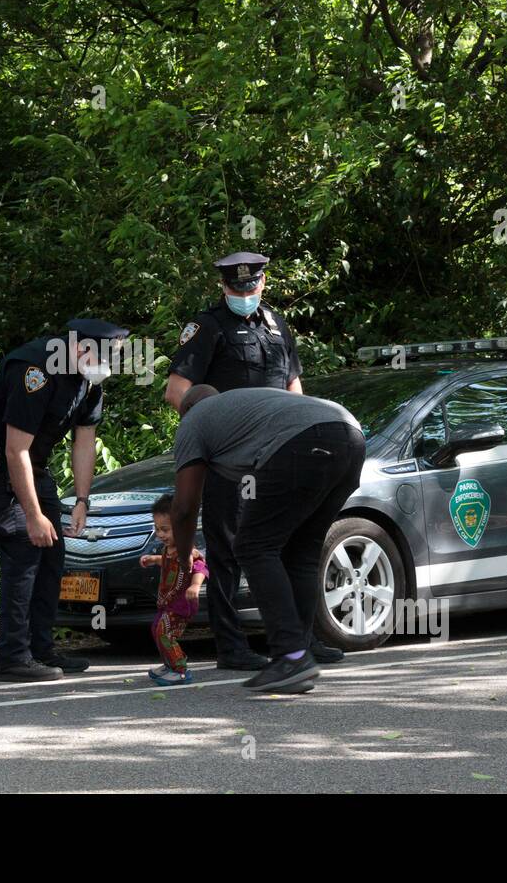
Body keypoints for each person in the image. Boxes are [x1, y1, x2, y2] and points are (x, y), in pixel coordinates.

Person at [168, 385, 365, 694]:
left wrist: (182, 555)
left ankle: (291, 656)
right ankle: (298, 654)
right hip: (351, 438)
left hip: (305, 442)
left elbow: (183, 507)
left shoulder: (194, 421)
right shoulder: (246, 409)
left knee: (252, 546)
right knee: (300, 551)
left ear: (186, 409)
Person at [164, 251, 307, 672]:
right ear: (223, 287)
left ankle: (300, 642)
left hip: (277, 455)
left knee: (290, 545)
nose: (243, 294)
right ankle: (232, 645)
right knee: (226, 550)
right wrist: (214, 437)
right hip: (229, 458)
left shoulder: (277, 325)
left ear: (263, 283)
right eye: (235, 288)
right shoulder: (206, 327)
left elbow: (294, 386)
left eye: (250, 287)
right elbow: (177, 392)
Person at [0, 318, 128, 681]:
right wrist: (33, 515)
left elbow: (84, 441)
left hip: (33, 469)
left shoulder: (89, 378)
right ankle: (12, 656)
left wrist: (82, 501)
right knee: (26, 548)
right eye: (107, 358)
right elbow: (13, 449)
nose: (110, 367)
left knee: (53, 557)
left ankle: (41, 647)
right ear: (82, 349)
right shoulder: (34, 369)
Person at [139, 494, 208, 686]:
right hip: (167, 602)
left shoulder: (188, 552)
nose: (160, 534)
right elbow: (170, 563)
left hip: (180, 604)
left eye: (165, 530)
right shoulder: (169, 550)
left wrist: (195, 585)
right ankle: (169, 664)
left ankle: (180, 670)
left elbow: (201, 567)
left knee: (165, 634)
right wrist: (154, 560)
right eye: (157, 529)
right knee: (157, 630)